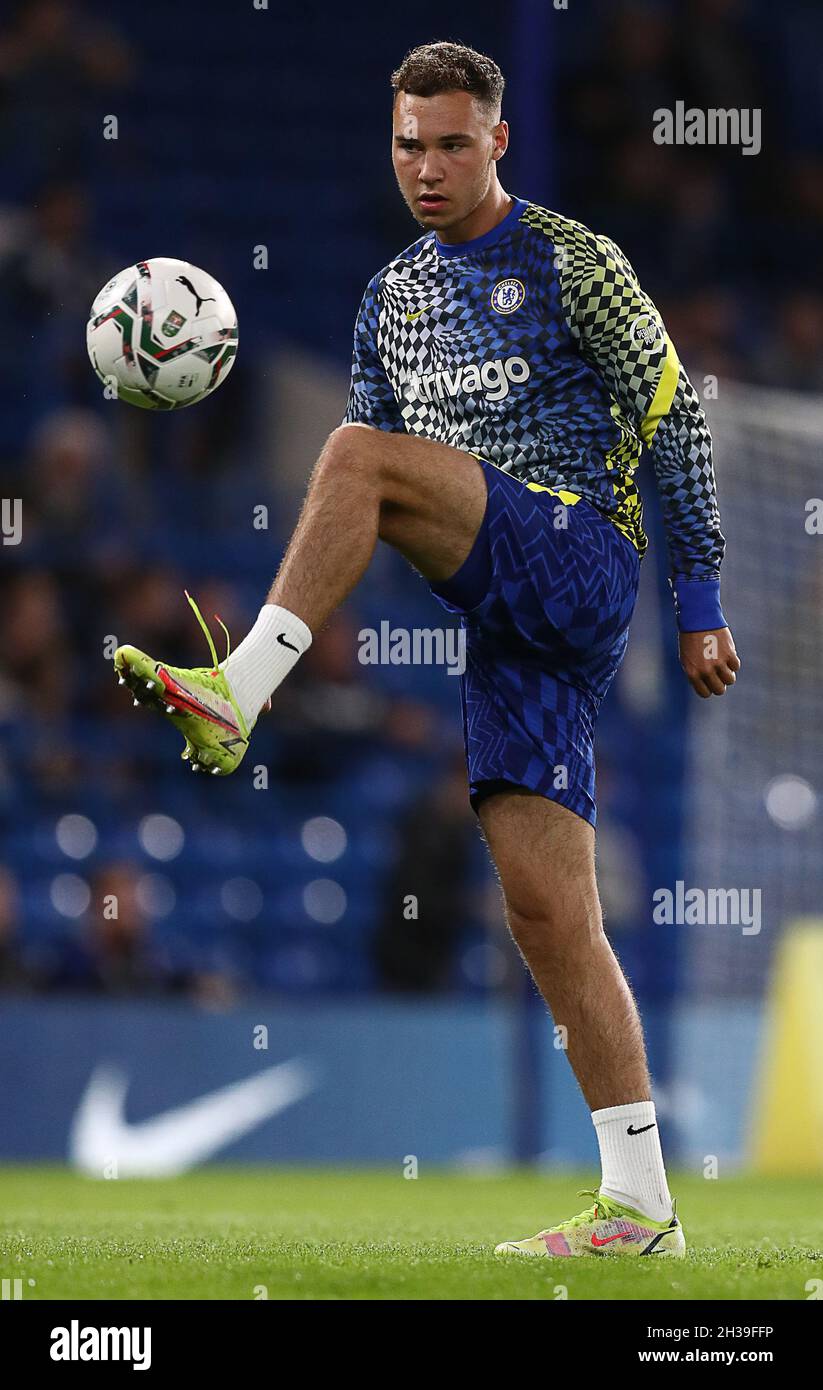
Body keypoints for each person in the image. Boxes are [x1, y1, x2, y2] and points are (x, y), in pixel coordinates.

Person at [113, 41, 740, 1257]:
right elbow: (370, 514)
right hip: (506, 620)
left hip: (580, 558)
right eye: (408, 144)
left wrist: (701, 594)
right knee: (548, 912)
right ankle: (643, 1204)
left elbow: (671, 417)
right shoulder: (387, 299)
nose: (428, 166)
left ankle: (241, 692)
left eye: (453, 142)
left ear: (498, 139)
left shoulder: (572, 261)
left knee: (352, 452)